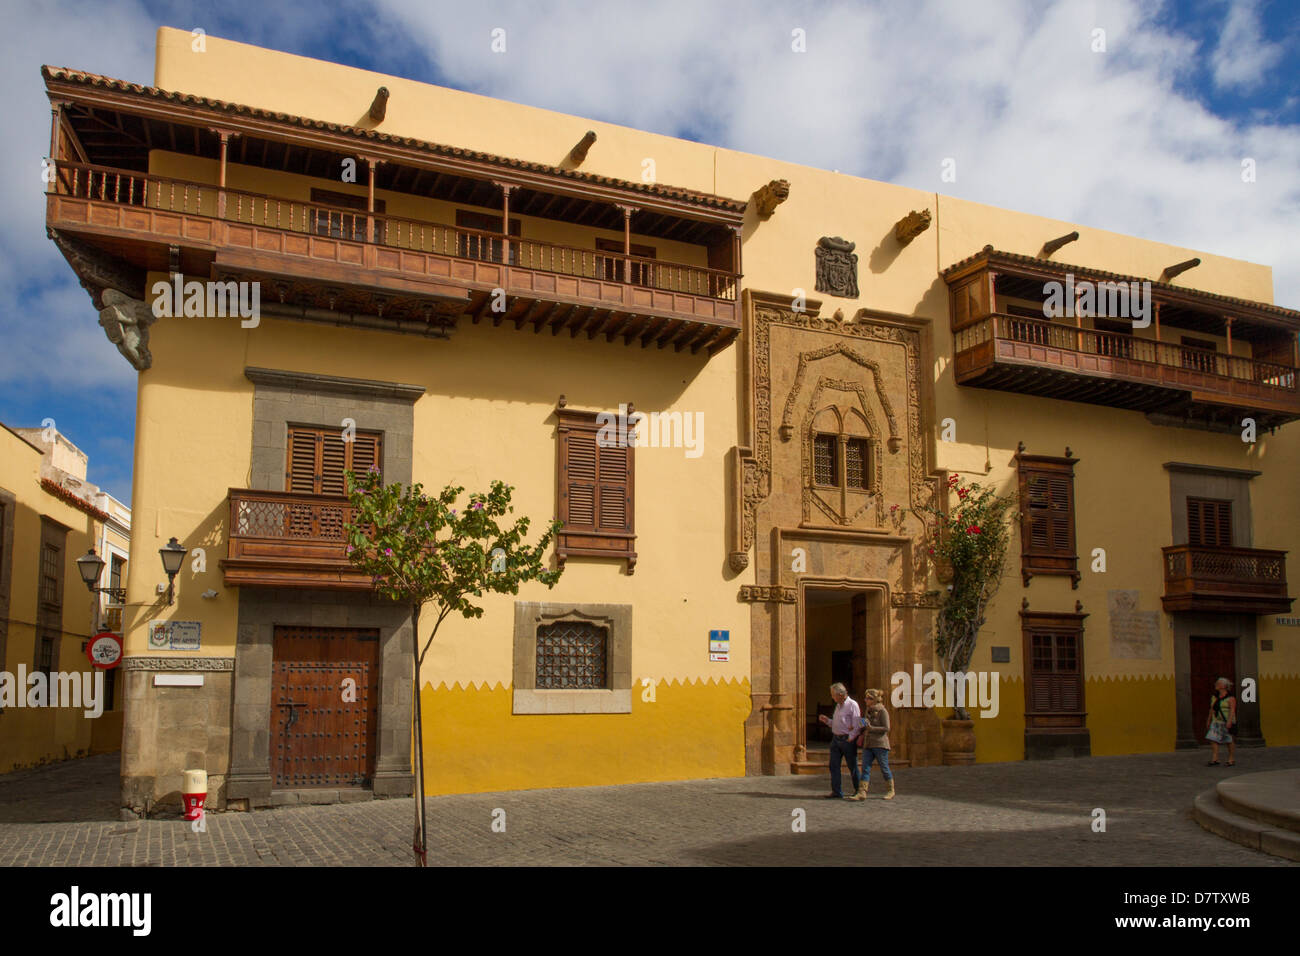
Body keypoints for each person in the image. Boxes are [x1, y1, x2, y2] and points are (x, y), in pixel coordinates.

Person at [849, 689, 894, 801]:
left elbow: (886, 728)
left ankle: (891, 790)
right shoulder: (868, 710)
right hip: (868, 744)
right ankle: (862, 792)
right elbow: (865, 725)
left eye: (868, 698)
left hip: (880, 744)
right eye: (866, 698)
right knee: (865, 768)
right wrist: (859, 725)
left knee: (884, 768)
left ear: (874, 700)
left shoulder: (882, 711)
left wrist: (872, 728)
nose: (866, 700)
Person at [818, 683, 860, 798]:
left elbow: (856, 725)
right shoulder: (838, 705)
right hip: (836, 739)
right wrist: (827, 721)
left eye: (833, 695)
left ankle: (859, 790)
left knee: (853, 766)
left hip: (847, 739)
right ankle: (837, 791)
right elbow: (838, 723)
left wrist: (850, 738)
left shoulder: (852, 705)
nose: (832, 697)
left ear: (841, 695)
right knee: (834, 766)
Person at [1205, 677, 1237, 767]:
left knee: (1229, 740)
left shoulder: (1231, 698)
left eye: (1218, 684)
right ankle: (1215, 758)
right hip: (1216, 721)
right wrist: (1209, 720)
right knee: (1213, 738)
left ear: (1223, 686)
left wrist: (1229, 721)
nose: (1216, 685)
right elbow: (1212, 709)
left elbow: (1232, 710)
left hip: (1226, 721)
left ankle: (1231, 758)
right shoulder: (1214, 697)